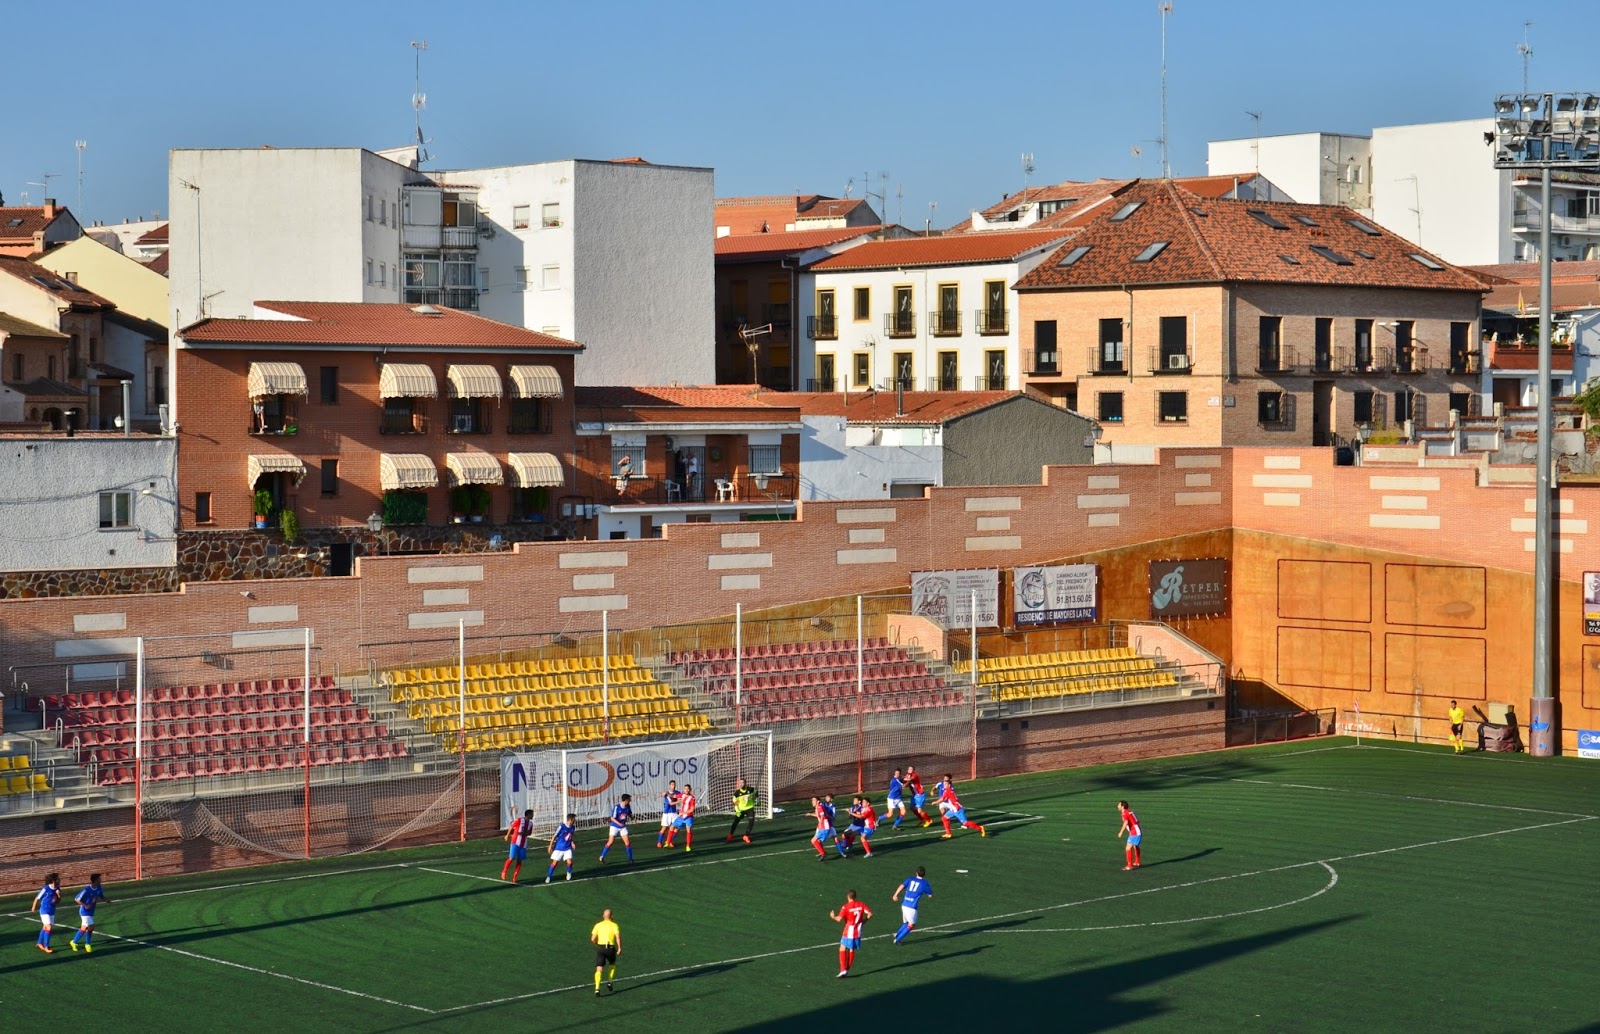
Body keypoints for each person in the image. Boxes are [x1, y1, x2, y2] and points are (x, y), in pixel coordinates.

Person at [830, 890, 873, 978]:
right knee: (851, 949)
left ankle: (843, 970)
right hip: (858, 931)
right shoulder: (861, 905)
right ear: (855, 896)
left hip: (849, 931)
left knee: (842, 947)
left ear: (848, 897)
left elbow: (839, 919)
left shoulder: (846, 907)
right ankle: (847, 970)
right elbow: (870, 914)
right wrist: (864, 921)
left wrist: (833, 916)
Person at [69, 874, 111, 953]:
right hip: (84, 911)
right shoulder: (87, 890)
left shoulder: (99, 887)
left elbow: (101, 896)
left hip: (91, 911)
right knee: (90, 926)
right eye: (99, 879)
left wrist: (106, 900)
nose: (101, 880)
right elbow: (77, 899)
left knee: (85, 928)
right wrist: (85, 905)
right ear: (95, 880)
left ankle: (73, 942)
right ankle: (87, 944)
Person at [891, 866, 933, 943]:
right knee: (911, 925)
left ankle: (897, 935)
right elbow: (930, 895)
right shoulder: (924, 883)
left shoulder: (910, 879)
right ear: (924, 874)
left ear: (916, 873)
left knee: (906, 922)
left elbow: (902, 886)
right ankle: (897, 940)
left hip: (904, 904)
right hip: (912, 907)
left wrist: (895, 895)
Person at [938, 774, 986, 839]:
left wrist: (935, 802)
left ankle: (980, 828)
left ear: (949, 785)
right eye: (944, 784)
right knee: (944, 818)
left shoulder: (948, 791)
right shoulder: (947, 791)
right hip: (953, 810)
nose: (944, 785)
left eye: (945, 784)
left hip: (958, 810)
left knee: (965, 823)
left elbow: (942, 799)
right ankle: (948, 834)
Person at [590, 907, 622, 996]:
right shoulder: (614, 925)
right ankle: (610, 981)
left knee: (599, 968)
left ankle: (597, 988)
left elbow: (592, 939)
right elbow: (618, 937)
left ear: (603, 916)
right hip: (610, 948)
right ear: (612, 916)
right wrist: (619, 948)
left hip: (600, 948)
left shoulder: (598, 925)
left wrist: (597, 942)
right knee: (612, 964)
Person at [31, 872, 61, 954]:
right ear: (53, 880)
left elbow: (58, 902)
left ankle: (39, 943)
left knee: (45, 927)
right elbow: (37, 898)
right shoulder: (45, 889)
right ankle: (46, 947)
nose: (59, 880)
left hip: (52, 911)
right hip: (44, 910)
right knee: (49, 927)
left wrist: (58, 895)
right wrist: (34, 907)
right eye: (57, 879)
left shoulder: (58, 889)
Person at [502, 808, 534, 883]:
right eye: (532, 814)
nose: (533, 815)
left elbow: (529, 833)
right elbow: (511, 826)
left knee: (519, 860)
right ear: (528, 814)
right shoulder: (519, 820)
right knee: (511, 857)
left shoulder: (530, 824)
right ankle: (504, 871)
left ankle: (515, 877)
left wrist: (523, 833)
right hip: (515, 842)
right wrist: (507, 835)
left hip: (523, 844)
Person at [599, 794, 634, 864]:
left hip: (623, 827)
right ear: (625, 800)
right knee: (610, 842)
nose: (630, 801)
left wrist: (632, 818)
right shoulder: (617, 807)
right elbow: (612, 818)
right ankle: (602, 856)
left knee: (627, 842)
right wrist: (619, 824)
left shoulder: (628, 806)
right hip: (614, 826)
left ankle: (630, 859)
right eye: (629, 799)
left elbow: (629, 813)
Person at [664, 783, 697, 851]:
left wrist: (683, 813)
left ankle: (688, 846)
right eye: (685, 789)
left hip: (688, 817)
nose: (686, 790)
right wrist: (666, 793)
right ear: (683, 789)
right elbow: (674, 796)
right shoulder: (682, 794)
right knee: (672, 827)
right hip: (681, 816)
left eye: (688, 789)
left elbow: (692, 810)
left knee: (688, 830)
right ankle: (667, 842)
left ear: (690, 790)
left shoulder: (692, 798)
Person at [546, 813, 578, 883]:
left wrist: (572, 842)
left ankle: (568, 873)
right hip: (559, 848)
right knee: (554, 863)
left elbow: (570, 836)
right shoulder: (562, 827)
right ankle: (549, 876)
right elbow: (554, 836)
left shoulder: (573, 827)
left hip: (567, 848)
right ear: (570, 820)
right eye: (574, 819)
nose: (575, 821)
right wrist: (550, 846)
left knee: (569, 862)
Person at [727, 776, 758, 843]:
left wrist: (753, 797)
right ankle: (731, 834)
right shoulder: (737, 793)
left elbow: (756, 794)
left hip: (749, 808)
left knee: (751, 821)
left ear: (745, 783)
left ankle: (746, 836)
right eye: (740, 783)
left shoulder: (751, 789)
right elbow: (735, 803)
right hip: (740, 809)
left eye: (742, 782)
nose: (741, 784)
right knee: (736, 822)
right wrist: (737, 811)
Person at [810, 795, 839, 860]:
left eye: (814, 800)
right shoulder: (818, 807)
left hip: (824, 828)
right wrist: (810, 814)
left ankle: (823, 853)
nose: (812, 801)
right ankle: (822, 852)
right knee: (816, 841)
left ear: (818, 801)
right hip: (823, 827)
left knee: (814, 841)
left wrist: (820, 823)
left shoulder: (819, 807)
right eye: (812, 800)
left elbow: (823, 815)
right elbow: (820, 815)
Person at [1117, 799, 1143, 870]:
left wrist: (1121, 832)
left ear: (1122, 806)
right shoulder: (1129, 811)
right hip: (1137, 831)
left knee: (1128, 848)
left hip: (1135, 832)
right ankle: (1137, 862)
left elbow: (1125, 822)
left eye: (1119, 805)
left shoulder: (1125, 813)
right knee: (1135, 846)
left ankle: (1129, 866)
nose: (1117, 806)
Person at [656, 779, 681, 848]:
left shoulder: (677, 792)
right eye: (672, 784)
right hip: (667, 813)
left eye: (674, 784)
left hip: (674, 813)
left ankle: (669, 841)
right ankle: (659, 842)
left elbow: (679, 800)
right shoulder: (666, 794)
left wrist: (680, 800)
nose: (673, 786)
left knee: (678, 827)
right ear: (669, 785)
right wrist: (679, 801)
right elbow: (671, 803)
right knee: (664, 828)